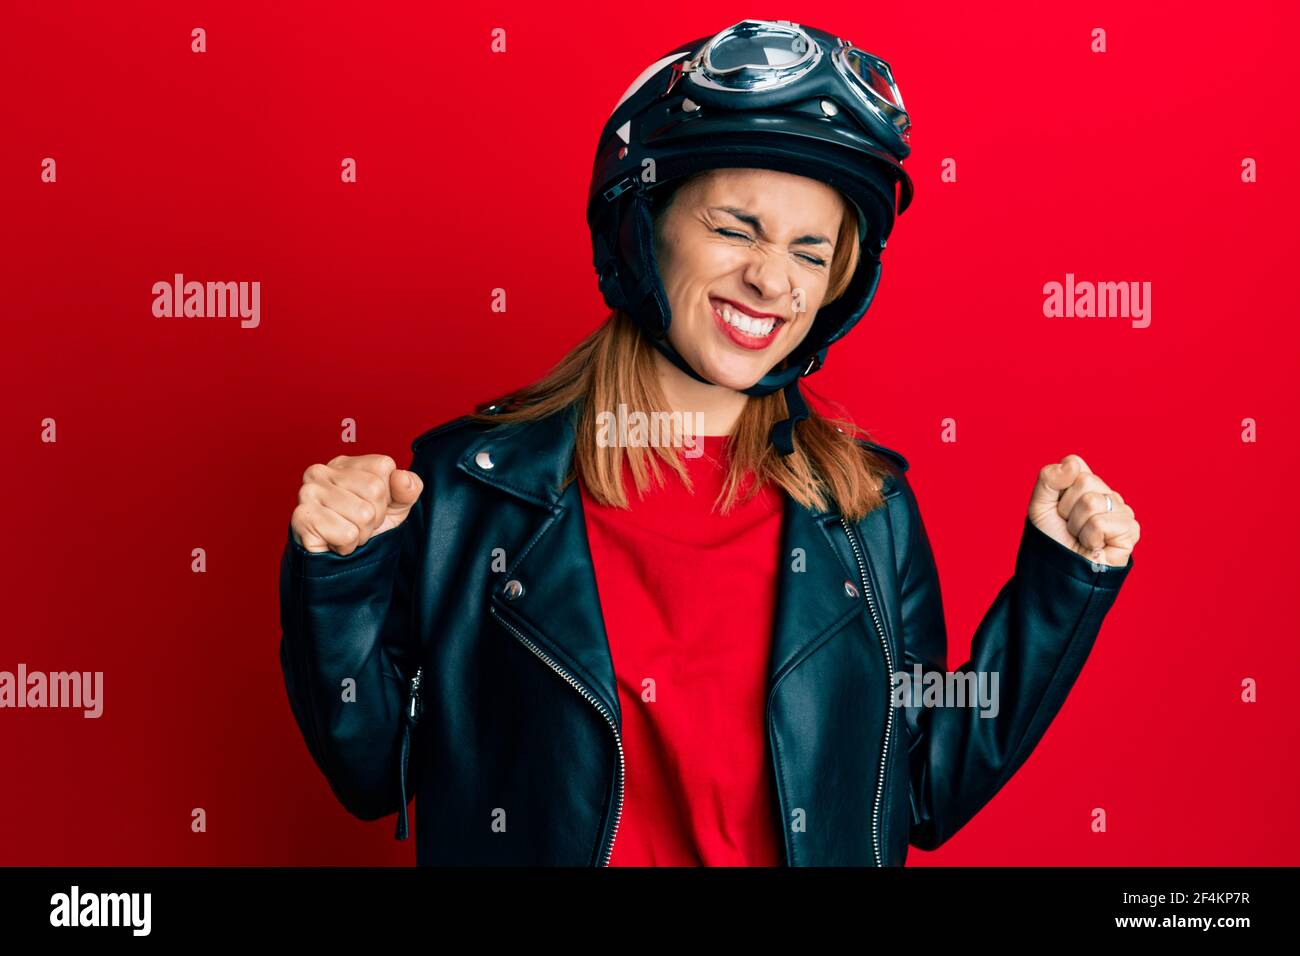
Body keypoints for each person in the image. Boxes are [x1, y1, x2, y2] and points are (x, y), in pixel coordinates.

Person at [278, 18, 1140, 866]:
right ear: (640, 228)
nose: (772, 279)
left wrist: (1059, 585)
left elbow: (918, 786)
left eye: (811, 251)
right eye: (735, 229)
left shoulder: (865, 509)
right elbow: (369, 776)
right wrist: (337, 572)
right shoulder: (468, 490)